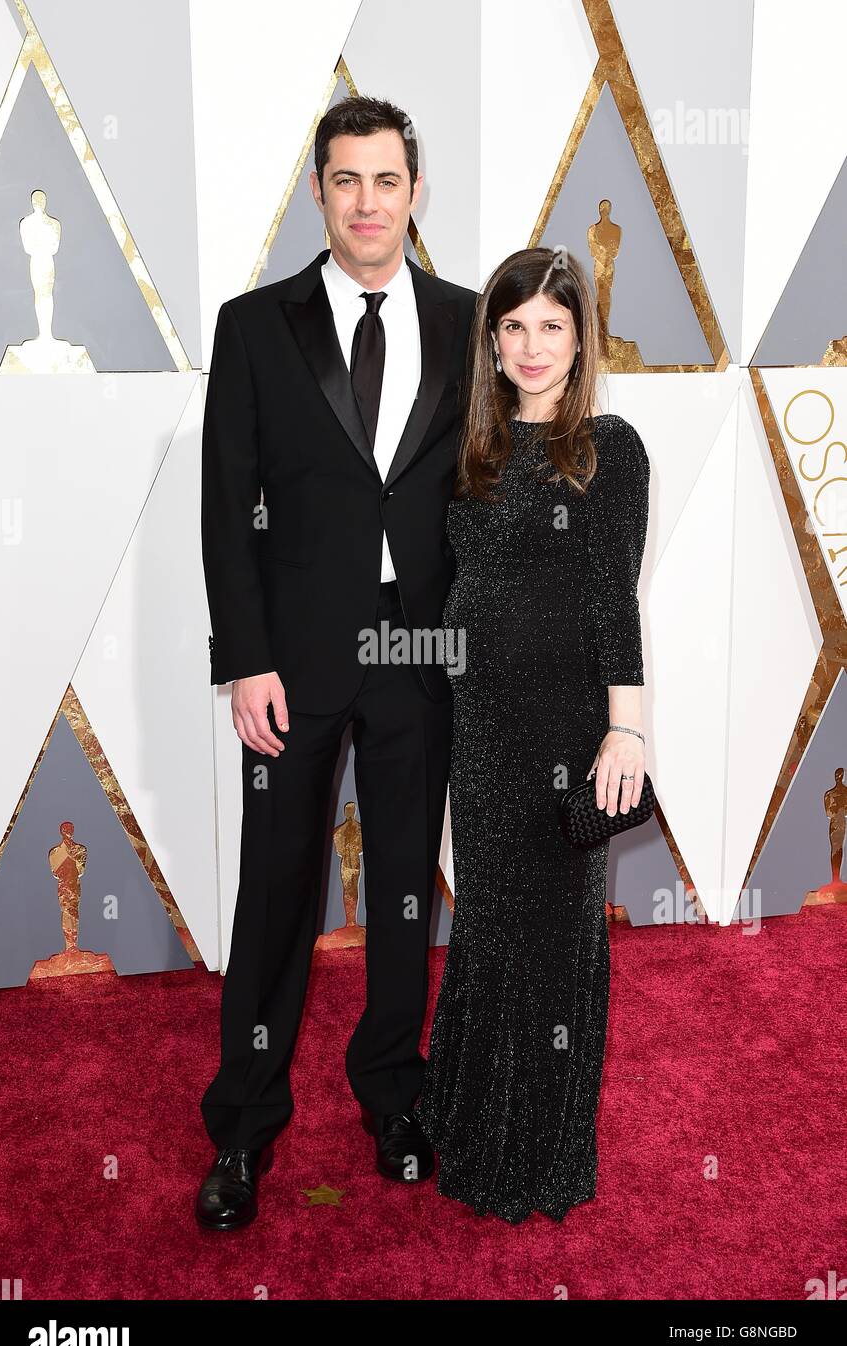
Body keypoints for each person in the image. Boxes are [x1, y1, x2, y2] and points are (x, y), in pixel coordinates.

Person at [196, 95, 477, 1231]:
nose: (368, 202)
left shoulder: (467, 322)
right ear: (318, 190)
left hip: (421, 645)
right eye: (346, 180)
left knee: (407, 883)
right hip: (297, 655)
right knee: (276, 893)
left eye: (387, 181)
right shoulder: (255, 324)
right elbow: (225, 506)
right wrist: (244, 659)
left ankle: (392, 1097)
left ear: (416, 193)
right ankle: (243, 1130)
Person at [415, 246, 651, 1224]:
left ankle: (537, 1153)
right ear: (494, 340)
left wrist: (624, 728)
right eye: (513, 325)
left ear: (579, 337)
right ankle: (468, 1124)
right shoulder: (472, 450)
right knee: (485, 927)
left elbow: (611, 598)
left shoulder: (606, 446)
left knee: (552, 943)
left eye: (550, 325)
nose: (531, 344)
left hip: (562, 730)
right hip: (478, 728)